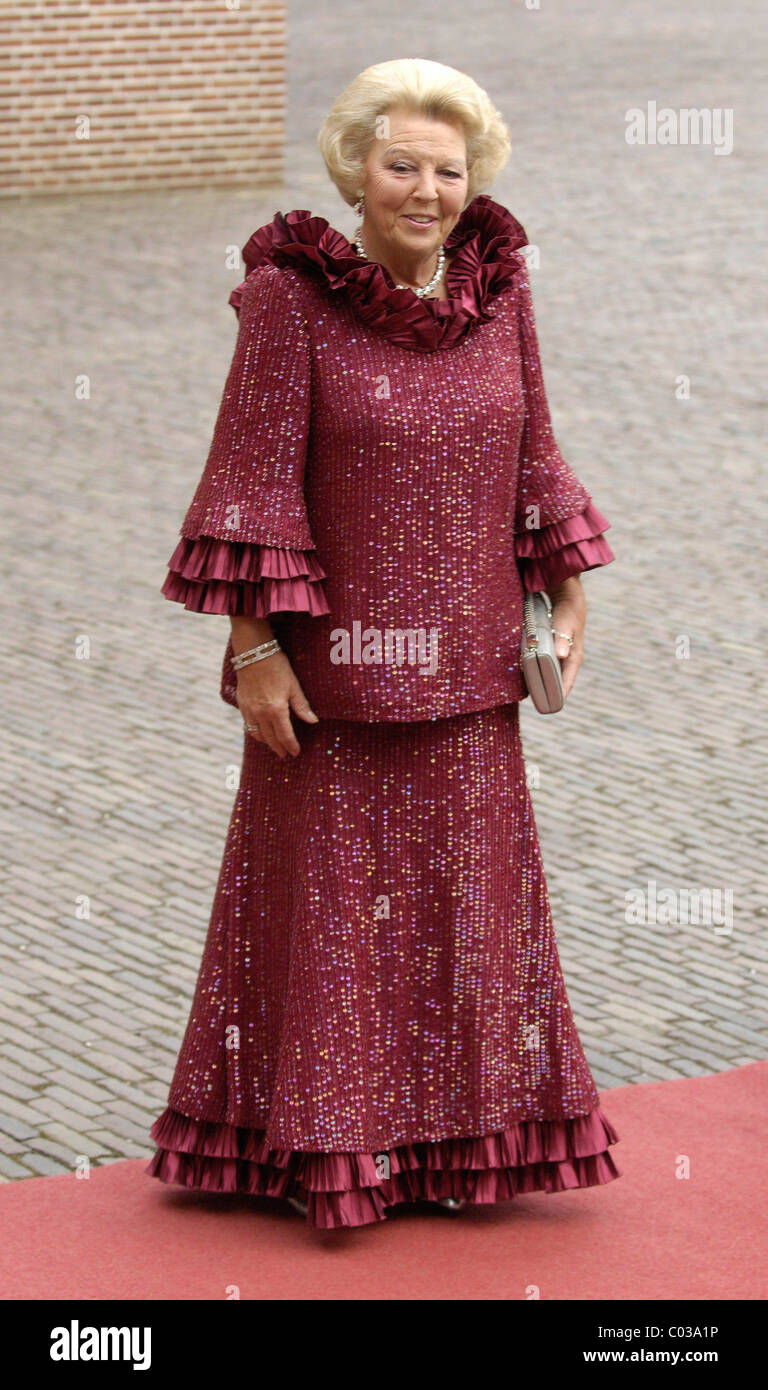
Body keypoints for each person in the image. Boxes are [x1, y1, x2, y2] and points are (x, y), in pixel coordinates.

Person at [145, 58, 621, 1230]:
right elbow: (251, 484)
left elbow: (534, 452)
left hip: (469, 669)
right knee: (329, 924)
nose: (426, 188)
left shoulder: (501, 293)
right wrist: (257, 652)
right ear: (355, 169)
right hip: (329, 677)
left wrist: (564, 582)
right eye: (401, 163)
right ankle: (327, 1153)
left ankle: (457, 1148)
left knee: (469, 917)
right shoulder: (288, 302)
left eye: (449, 170)